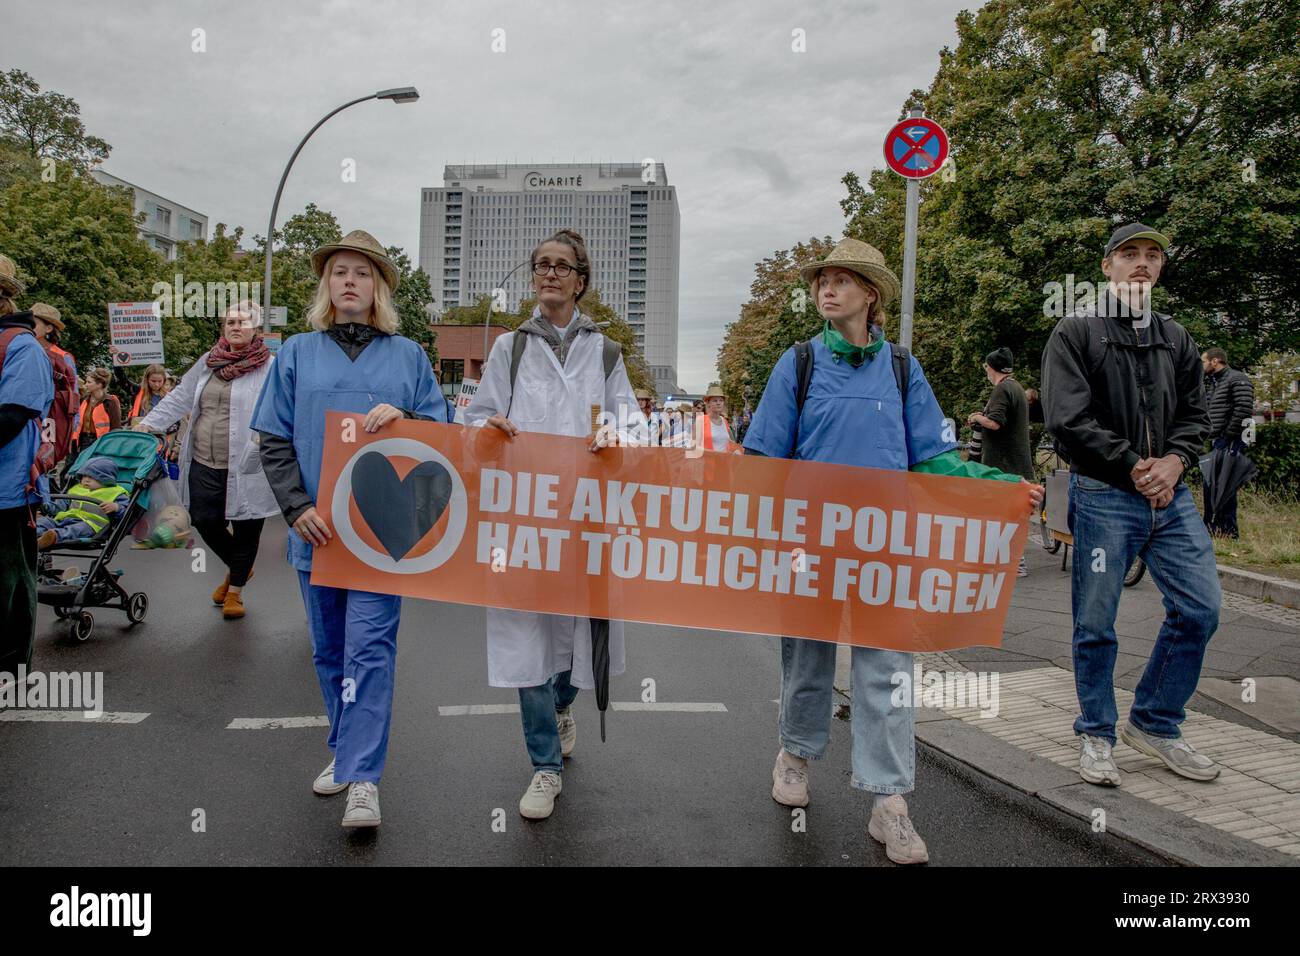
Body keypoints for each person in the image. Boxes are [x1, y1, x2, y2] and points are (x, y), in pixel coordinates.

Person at [743, 238, 1041, 864]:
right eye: (823, 279)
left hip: (884, 548)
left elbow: (932, 458)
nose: (828, 289)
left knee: (887, 672)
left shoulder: (903, 369)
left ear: (870, 294)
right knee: (807, 663)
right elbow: (763, 458)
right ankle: (794, 756)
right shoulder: (796, 364)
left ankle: (890, 804)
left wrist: (1002, 489)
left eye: (843, 280)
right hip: (812, 546)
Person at [251, 229, 445, 829]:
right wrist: (294, 507)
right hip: (317, 532)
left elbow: (441, 441)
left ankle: (363, 777)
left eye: (362, 272)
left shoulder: (409, 356)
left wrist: (408, 418)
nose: (350, 281)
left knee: (370, 650)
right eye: (339, 272)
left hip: (380, 540)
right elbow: (274, 438)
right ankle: (343, 748)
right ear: (327, 285)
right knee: (329, 649)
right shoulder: (296, 354)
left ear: (379, 286)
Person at [465, 228, 645, 822]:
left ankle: (563, 704)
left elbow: (636, 432)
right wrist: (489, 433)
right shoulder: (508, 350)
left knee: (572, 639)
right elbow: (477, 424)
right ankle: (544, 765)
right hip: (524, 517)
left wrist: (616, 437)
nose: (548, 274)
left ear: (580, 280)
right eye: (540, 265)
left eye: (561, 266)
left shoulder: (608, 352)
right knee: (526, 638)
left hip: (587, 519)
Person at [1042, 222, 1220, 788]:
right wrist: (1134, 465)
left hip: (1171, 497)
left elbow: (1198, 414)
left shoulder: (1176, 336)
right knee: (1096, 622)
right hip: (1104, 495)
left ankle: (1155, 723)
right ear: (1107, 267)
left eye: (1152, 255)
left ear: (1160, 268)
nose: (1141, 263)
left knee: (1200, 609)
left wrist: (1174, 462)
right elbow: (1067, 418)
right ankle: (1096, 731)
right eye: (1129, 254)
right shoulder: (1076, 331)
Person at [133, 301, 279, 620]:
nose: (235, 327)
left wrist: (265, 439)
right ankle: (240, 567)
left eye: (242, 322)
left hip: (245, 461)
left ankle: (235, 591)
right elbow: (180, 398)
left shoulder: (271, 367)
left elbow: (283, 407)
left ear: (256, 329)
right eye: (229, 322)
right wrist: (148, 424)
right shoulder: (208, 362)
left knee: (246, 525)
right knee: (204, 519)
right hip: (203, 458)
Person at [0, 254, 54, 686]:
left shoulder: (21, 347)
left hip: (6, 489)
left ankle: (10, 673)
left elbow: (13, 414)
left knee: (10, 584)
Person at [967, 348, 1034, 575]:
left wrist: (977, 417)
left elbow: (995, 423)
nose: (986, 371)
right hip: (1017, 463)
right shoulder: (1016, 388)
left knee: (997, 514)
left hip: (1002, 465)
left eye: (987, 367)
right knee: (1008, 514)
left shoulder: (1002, 388)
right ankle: (1011, 561)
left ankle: (1013, 563)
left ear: (991, 367)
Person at [1200, 347, 1255, 538]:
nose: (1202, 365)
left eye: (1204, 361)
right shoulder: (1214, 383)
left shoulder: (1237, 379)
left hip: (1230, 440)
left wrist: (1228, 435)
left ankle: (1229, 531)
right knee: (1211, 483)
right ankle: (1212, 527)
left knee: (1224, 484)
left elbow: (1244, 408)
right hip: (1217, 439)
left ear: (1215, 361)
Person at [35, 456, 128, 549]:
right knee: (44, 522)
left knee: (75, 530)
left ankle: (53, 536)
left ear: (106, 479)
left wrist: (116, 507)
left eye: (92, 477)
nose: (86, 480)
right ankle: (35, 536)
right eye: (84, 476)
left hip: (91, 524)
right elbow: (60, 506)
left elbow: (127, 513)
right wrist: (44, 507)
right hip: (64, 519)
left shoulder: (116, 493)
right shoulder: (76, 489)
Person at [78, 368, 122, 448]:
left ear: (100, 384)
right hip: (83, 441)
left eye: (89, 382)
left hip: (102, 442)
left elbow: (116, 427)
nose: (86, 385)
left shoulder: (110, 402)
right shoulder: (83, 400)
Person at [696, 384, 738, 452]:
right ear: (708, 403)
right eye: (715, 401)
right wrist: (715, 454)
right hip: (707, 461)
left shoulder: (724, 421)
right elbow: (694, 447)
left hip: (724, 461)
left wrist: (735, 450)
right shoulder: (700, 420)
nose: (718, 403)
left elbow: (728, 441)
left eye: (721, 400)